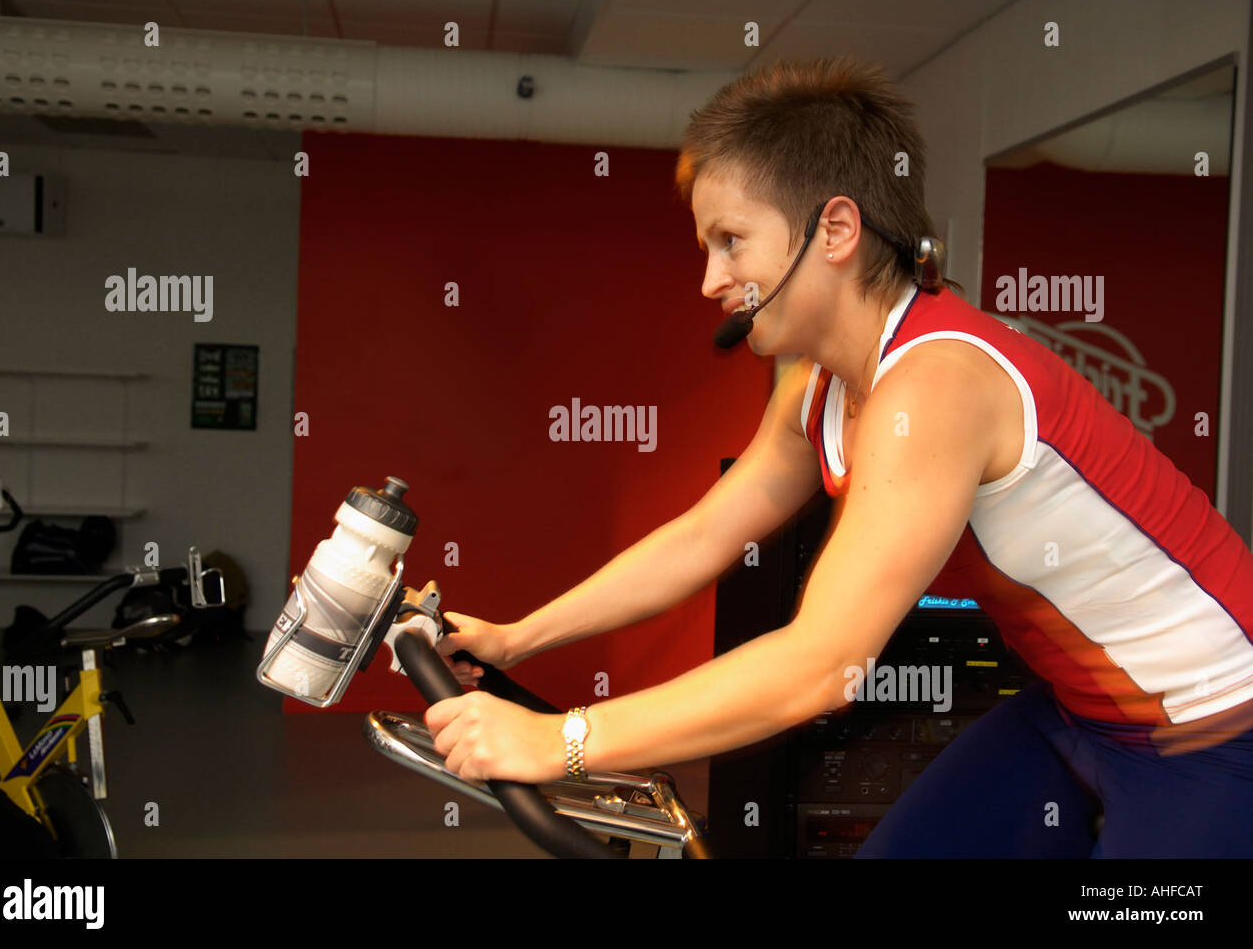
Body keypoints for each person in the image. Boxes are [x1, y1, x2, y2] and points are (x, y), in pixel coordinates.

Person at [425, 56, 1253, 857]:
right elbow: (705, 535)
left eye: (732, 241)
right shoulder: (818, 383)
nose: (711, 280)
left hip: (1216, 726)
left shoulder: (935, 386)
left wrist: (561, 742)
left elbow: (821, 667)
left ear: (836, 229)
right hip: (1080, 711)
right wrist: (517, 637)